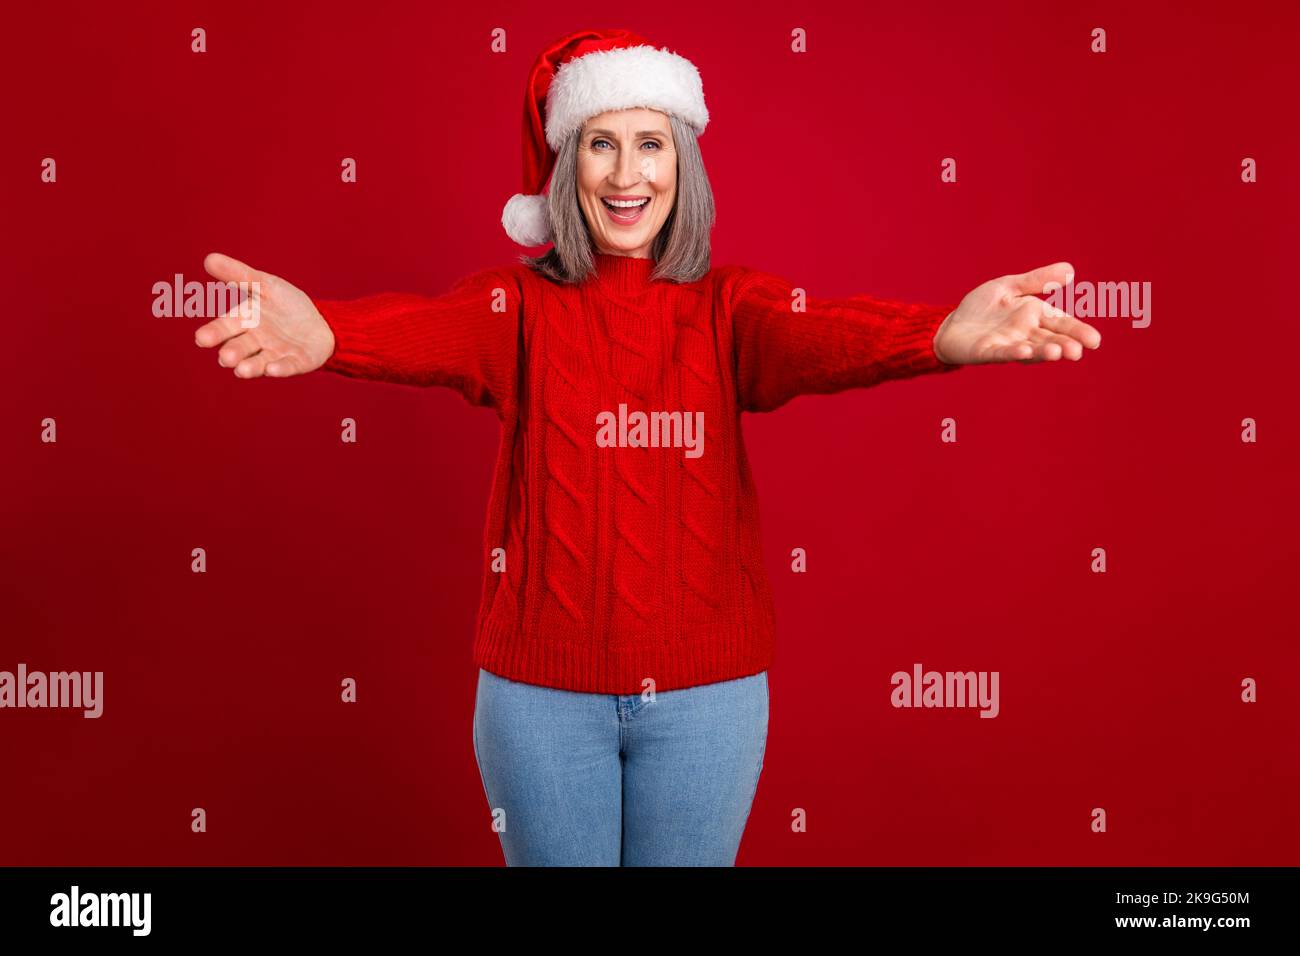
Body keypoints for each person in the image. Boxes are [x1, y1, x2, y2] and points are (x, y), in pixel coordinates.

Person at [192, 28, 1101, 866]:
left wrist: (941, 331)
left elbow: (825, 333)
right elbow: (419, 329)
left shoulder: (729, 310)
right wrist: (329, 333)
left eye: (651, 142)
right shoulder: (515, 312)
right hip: (540, 700)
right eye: (599, 141)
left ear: (684, 163)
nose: (627, 172)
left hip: (709, 698)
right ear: (565, 165)